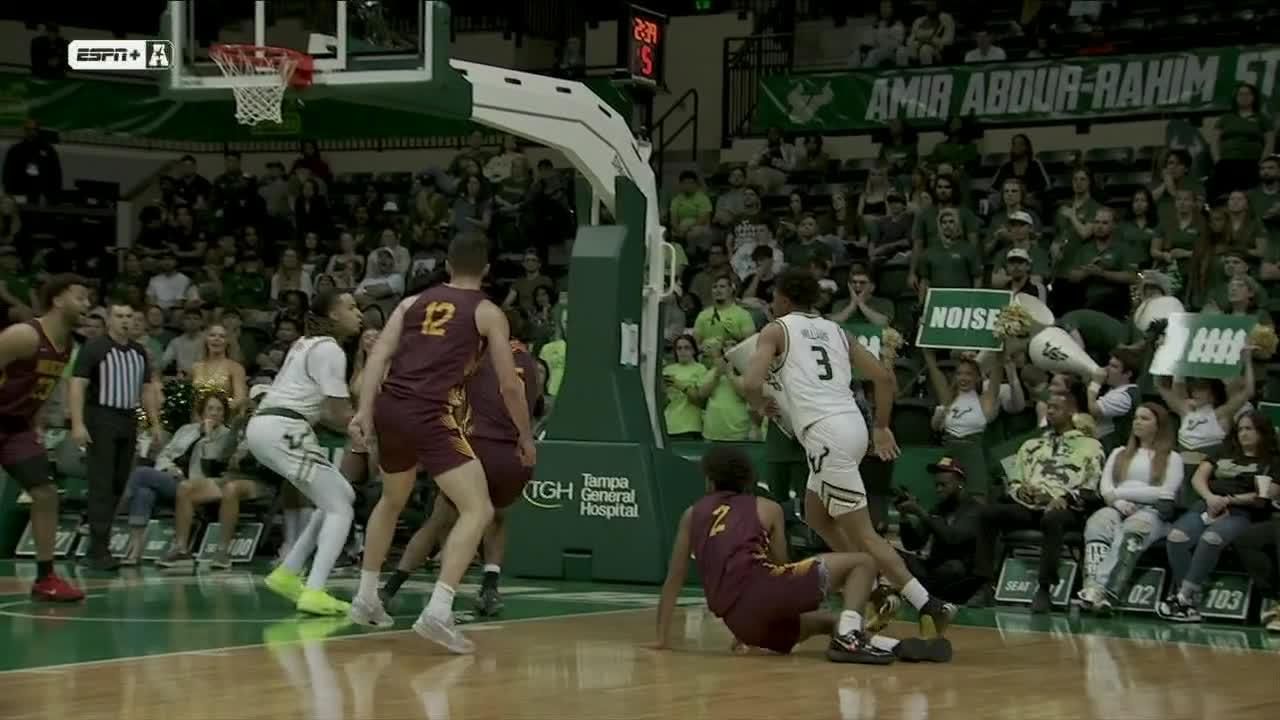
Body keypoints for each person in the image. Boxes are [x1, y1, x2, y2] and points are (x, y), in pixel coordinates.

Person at [741, 269, 955, 642]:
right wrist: (882, 426)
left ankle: (928, 604)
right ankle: (872, 585)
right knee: (816, 513)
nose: (772, 304)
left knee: (865, 533)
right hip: (853, 426)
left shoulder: (775, 330)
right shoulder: (838, 331)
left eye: (774, 297)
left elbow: (751, 382)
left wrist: (761, 405)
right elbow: (885, 379)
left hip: (826, 434)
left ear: (785, 300)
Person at [349, 233, 536, 654]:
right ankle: (438, 609)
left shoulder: (411, 303)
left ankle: (366, 598)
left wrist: (363, 410)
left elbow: (378, 356)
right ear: (486, 268)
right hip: (430, 412)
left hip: (391, 406)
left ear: (447, 264)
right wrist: (525, 435)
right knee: (479, 508)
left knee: (392, 500)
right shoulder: (488, 312)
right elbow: (509, 385)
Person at [652, 445, 950, 664]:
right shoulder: (766, 508)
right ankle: (850, 639)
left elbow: (673, 579)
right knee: (862, 562)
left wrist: (662, 639)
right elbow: (781, 565)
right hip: (768, 593)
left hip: (742, 623)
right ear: (746, 478)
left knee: (830, 622)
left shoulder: (692, 515)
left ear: (709, 479)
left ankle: (895, 646)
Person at [380, 311, 542, 616]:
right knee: (497, 519)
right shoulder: (532, 363)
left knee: (440, 520)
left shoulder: (474, 357)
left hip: (476, 445)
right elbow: (534, 402)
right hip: (514, 454)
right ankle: (490, 589)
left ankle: (391, 589)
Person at [248, 289, 365, 616]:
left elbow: (327, 414)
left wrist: (354, 425)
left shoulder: (306, 343)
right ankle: (314, 591)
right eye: (351, 307)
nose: (359, 313)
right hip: (284, 429)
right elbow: (339, 413)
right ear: (332, 315)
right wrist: (369, 425)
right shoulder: (331, 350)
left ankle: (288, 572)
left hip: (270, 426)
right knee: (341, 507)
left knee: (339, 495)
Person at [967, 386, 1105, 613]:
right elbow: (1014, 480)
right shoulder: (1031, 446)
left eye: (1056, 408)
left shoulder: (1091, 446)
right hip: (1029, 507)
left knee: (1052, 519)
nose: (1050, 411)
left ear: (1072, 412)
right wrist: (1021, 492)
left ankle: (1044, 589)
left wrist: (1063, 497)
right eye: (1048, 407)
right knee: (987, 514)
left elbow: (1092, 487)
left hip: (1065, 509)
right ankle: (984, 584)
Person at [0, 274, 89, 600]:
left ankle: (45, 577)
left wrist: (34, 423)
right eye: (80, 297)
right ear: (58, 299)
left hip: (17, 428)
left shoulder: (66, 347)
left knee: (46, 492)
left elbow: (38, 388)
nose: (88, 304)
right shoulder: (24, 335)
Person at [1158, 410, 1278, 622]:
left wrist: (1229, 500)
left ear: (1262, 431)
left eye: (1249, 429)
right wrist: (1210, 498)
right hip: (1207, 505)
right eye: (1240, 429)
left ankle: (1183, 598)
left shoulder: (1272, 461)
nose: (1243, 434)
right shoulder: (1224, 451)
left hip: (1241, 512)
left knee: (1210, 539)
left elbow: (1268, 493)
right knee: (1176, 537)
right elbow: (1198, 478)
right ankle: (1188, 600)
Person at [70, 303, 163, 570]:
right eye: (119, 316)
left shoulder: (138, 352)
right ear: (109, 319)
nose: (125, 321)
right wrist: (78, 423)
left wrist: (154, 423)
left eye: (129, 317)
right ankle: (98, 551)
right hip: (101, 417)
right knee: (101, 482)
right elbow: (78, 385)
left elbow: (146, 390)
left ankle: (99, 544)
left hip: (128, 419)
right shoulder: (95, 347)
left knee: (119, 483)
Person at [1077, 403, 1183, 614]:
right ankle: (1091, 589)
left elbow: (1165, 493)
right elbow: (1105, 489)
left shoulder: (1173, 458)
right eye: (1135, 418)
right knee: (1098, 522)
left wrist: (1121, 493)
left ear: (1158, 425)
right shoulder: (1119, 453)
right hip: (1118, 507)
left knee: (1133, 529)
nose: (1137, 422)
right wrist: (1117, 502)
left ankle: (1106, 591)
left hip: (1154, 514)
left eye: (1145, 418)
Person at [895, 457, 983, 604]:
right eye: (936, 485)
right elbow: (913, 545)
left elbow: (952, 538)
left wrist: (920, 512)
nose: (938, 490)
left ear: (960, 483)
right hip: (933, 570)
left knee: (952, 568)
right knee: (891, 554)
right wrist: (903, 516)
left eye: (943, 485)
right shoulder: (938, 509)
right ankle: (921, 594)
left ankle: (919, 594)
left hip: (961, 576)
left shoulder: (975, 510)